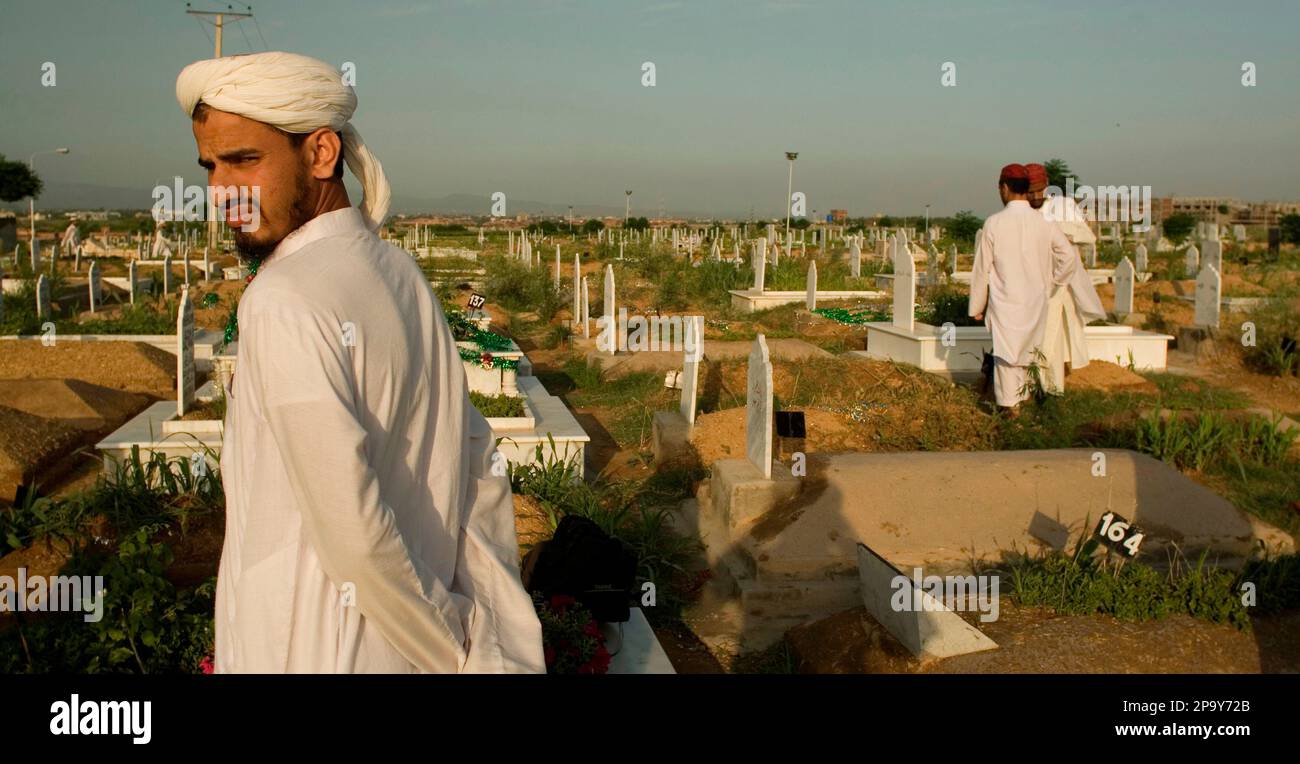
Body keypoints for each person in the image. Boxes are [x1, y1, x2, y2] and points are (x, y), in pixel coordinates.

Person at [176, 51, 543, 673]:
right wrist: (478, 624)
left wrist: (451, 651)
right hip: (412, 630)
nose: (221, 191)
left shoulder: (283, 298)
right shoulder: (399, 271)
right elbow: (477, 467)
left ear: (320, 154)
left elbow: (352, 530)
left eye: (244, 160)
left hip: (318, 647)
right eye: (210, 165)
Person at [968, 164, 1081, 411]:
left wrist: (977, 306)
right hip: (1036, 303)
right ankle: (1023, 403)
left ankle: (1011, 411)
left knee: (1006, 360)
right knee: (1028, 355)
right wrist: (1055, 282)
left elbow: (981, 270)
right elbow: (1068, 257)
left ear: (1005, 188)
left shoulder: (994, 223)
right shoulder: (1043, 223)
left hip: (1006, 304)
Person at [1026, 163, 1105, 394]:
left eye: (1039, 189)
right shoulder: (1021, 210)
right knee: (1032, 337)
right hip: (1031, 286)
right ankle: (1030, 387)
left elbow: (1088, 237)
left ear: (1047, 185)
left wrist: (1056, 228)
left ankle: (1052, 389)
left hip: (1060, 285)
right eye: (1030, 190)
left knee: (1053, 337)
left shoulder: (1063, 206)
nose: (1035, 195)